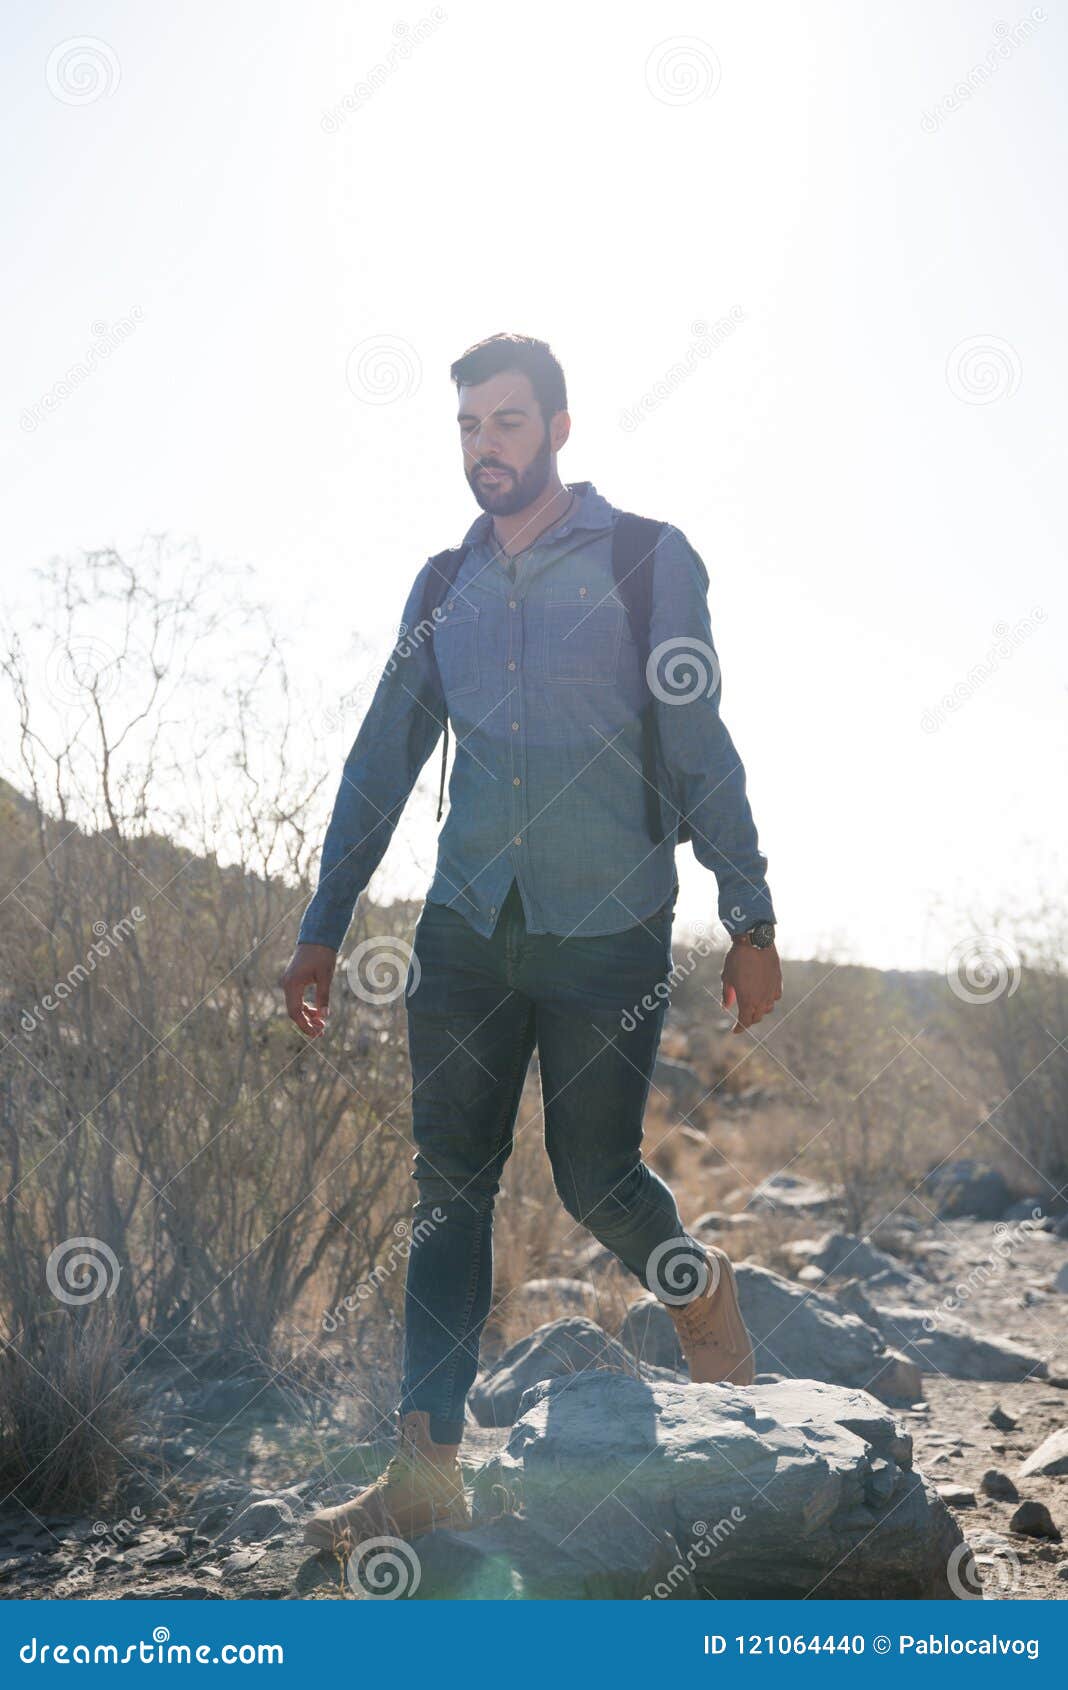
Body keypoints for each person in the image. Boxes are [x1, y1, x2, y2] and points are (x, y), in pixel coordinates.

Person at [282, 333, 781, 1554]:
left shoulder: (646, 561)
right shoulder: (439, 586)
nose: (484, 447)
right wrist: (321, 925)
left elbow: (698, 733)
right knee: (445, 1188)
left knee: (595, 1175)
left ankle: (699, 1290)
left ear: (558, 426)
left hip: (608, 925)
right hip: (464, 928)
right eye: (467, 426)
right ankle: (422, 1471)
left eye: (506, 422)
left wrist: (750, 909)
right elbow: (380, 760)